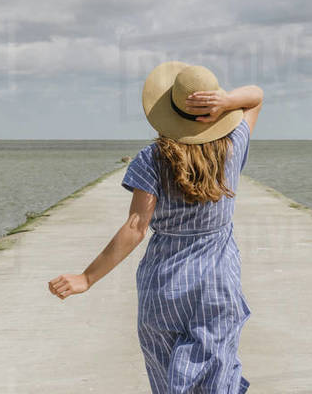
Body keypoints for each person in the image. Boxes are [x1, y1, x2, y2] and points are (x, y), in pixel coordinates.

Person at [48, 61, 263, 393]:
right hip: (218, 282)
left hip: (165, 286)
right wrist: (227, 102)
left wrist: (86, 278)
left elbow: (136, 227)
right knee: (218, 372)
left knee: (167, 380)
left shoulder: (152, 159)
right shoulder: (233, 144)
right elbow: (256, 97)